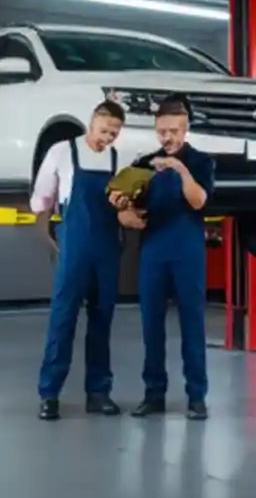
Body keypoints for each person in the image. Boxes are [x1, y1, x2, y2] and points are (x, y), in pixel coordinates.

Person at [31, 100, 144, 421]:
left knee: (102, 319)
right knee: (63, 317)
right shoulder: (62, 151)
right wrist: (44, 216)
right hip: (75, 246)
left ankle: (98, 392)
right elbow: (42, 196)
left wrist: (129, 207)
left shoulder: (120, 159)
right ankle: (49, 394)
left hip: (108, 248)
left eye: (114, 133)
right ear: (91, 123)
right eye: (104, 130)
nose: (108, 137)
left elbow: (129, 200)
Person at [113, 93, 214, 421]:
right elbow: (120, 197)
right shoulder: (145, 164)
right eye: (162, 132)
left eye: (173, 131)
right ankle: (153, 394)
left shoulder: (201, 162)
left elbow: (198, 202)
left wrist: (181, 170)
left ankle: (196, 396)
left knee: (192, 325)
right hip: (153, 251)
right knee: (151, 325)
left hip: (187, 252)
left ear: (185, 131)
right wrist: (123, 212)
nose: (167, 138)